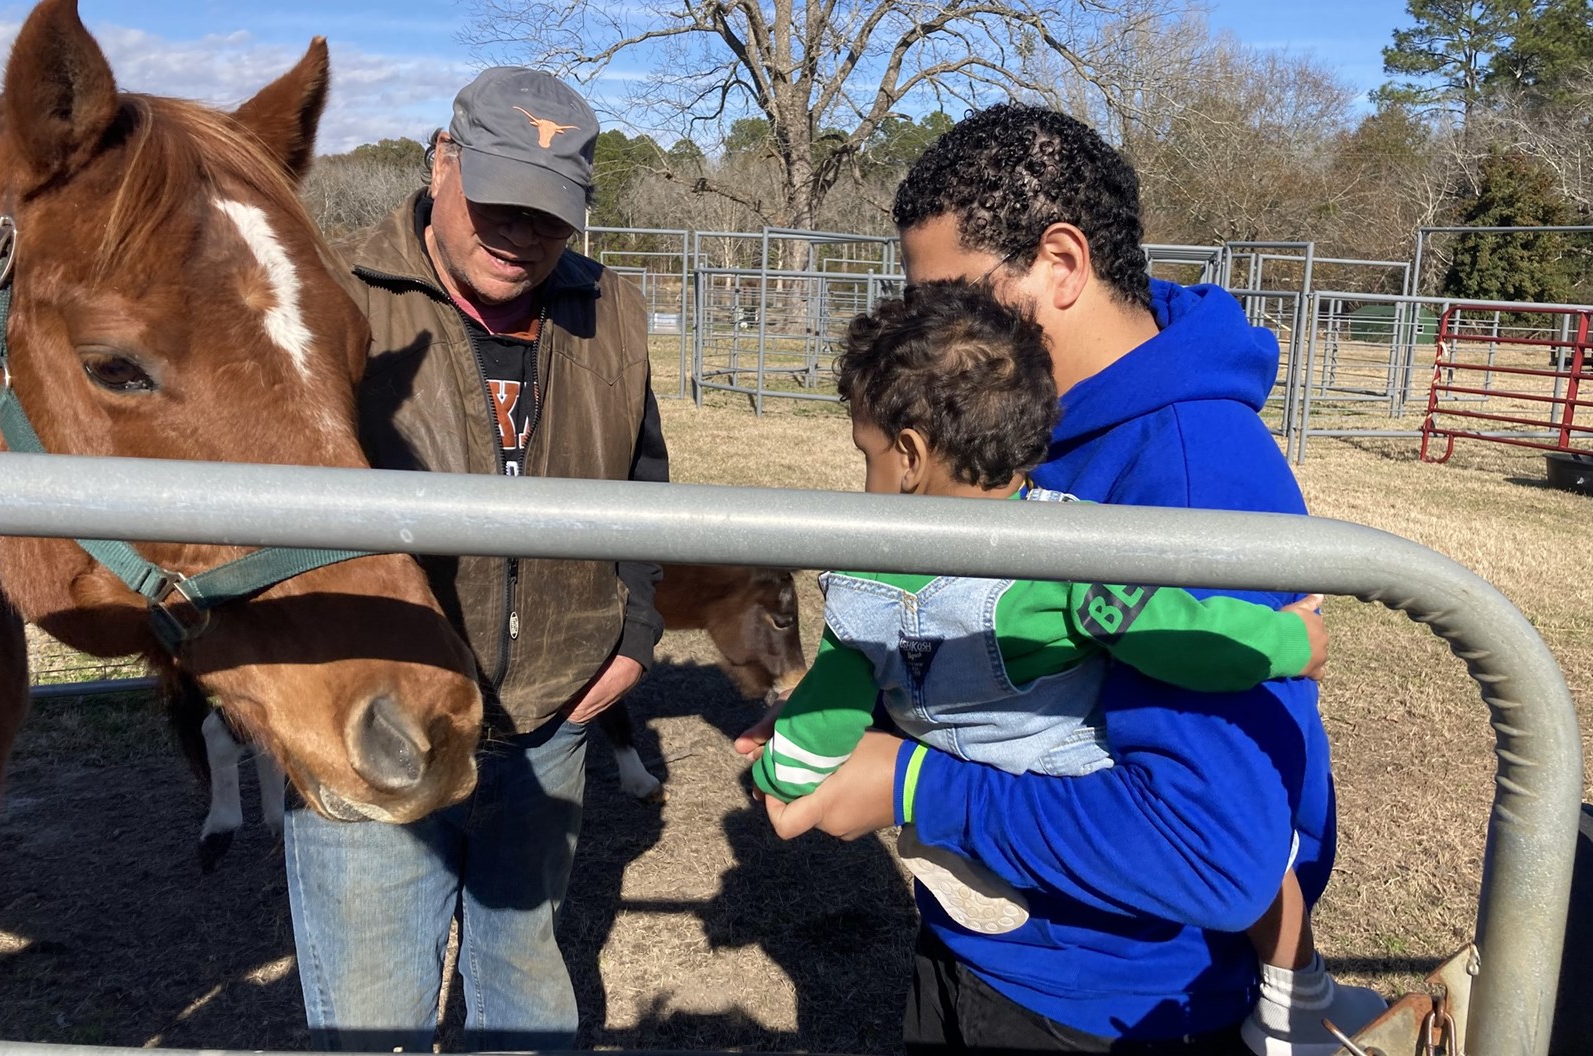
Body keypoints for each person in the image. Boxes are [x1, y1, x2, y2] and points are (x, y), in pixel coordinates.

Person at [748, 104, 1385, 1055]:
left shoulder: (1188, 473)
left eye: (951, 295)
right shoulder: (1007, 429)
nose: (934, 332)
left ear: (1061, 264)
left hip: (1101, 1008)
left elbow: (1216, 856)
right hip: (981, 949)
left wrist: (915, 784)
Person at [753, 280, 1331, 949]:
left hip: (941, 748)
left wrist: (785, 771)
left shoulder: (858, 582)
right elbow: (1186, 638)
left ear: (909, 455)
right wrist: (1293, 641)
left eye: (867, 454)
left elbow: (831, 700)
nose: (865, 475)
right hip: (1053, 776)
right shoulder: (1071, 560)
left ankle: (960, 850)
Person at [285, 67, 669, 1052]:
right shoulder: (332, 295)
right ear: (440, 162)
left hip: (548, 715)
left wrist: (630, 632)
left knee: (527, 987)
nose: (518, 233)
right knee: (373, 1018)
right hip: (377, 730)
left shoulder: (607, 310)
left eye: (546, 215)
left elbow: (644, 478)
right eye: (496, 202)